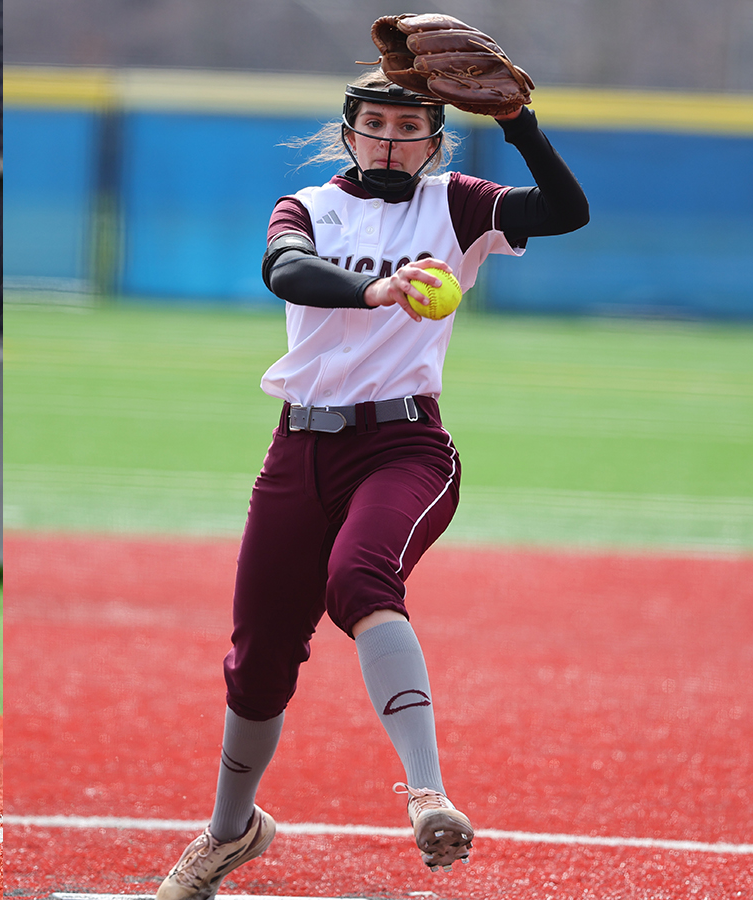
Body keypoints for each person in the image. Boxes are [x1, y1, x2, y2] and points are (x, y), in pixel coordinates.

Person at [155, 68, 589, 898]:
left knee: (359, 578)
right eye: (376, 123)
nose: (392, 139)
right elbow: (285, 272)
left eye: (410, 126)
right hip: (298, 451)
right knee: (258, 658)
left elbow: (568, 211)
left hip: (404, 448)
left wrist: (521, 122)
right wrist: (375, 288)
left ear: (436, 138)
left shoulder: (455, 203)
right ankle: (228, 833)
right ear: (349, 131)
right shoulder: (309, 208)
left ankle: (428, 795)